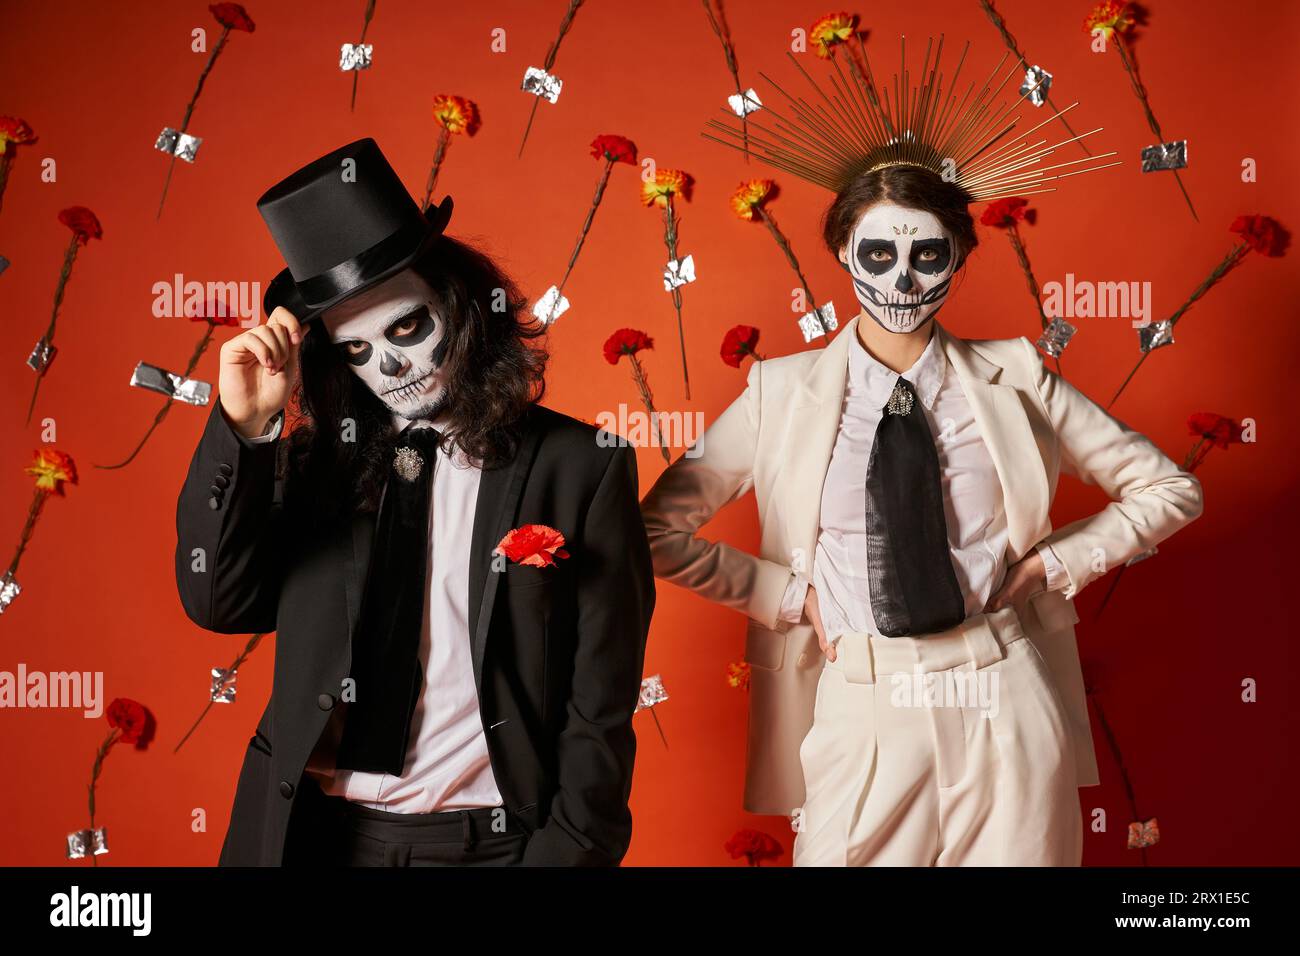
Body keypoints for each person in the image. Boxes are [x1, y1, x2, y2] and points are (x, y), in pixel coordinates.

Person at [642, 130, 1203, 863]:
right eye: (879, 255)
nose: (902, 280)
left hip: (1002, 688)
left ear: (959, 259)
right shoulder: (778, 393)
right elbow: (654, 530)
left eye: (927, 255)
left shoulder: (1018, 378)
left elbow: (1170, 487)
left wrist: (1050, 568)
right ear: (844, 251)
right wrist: (784, 594)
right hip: (862, 699)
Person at [174, 138, 654, 867]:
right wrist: (245, 428)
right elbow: (218, 602)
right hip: (315, 839)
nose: (390, 366)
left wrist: (566, 856)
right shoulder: (315, 466)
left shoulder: (580, 467)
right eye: (358, 350)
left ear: (461, 309)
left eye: (406, 328)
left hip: (489, 846)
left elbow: (601, 707)